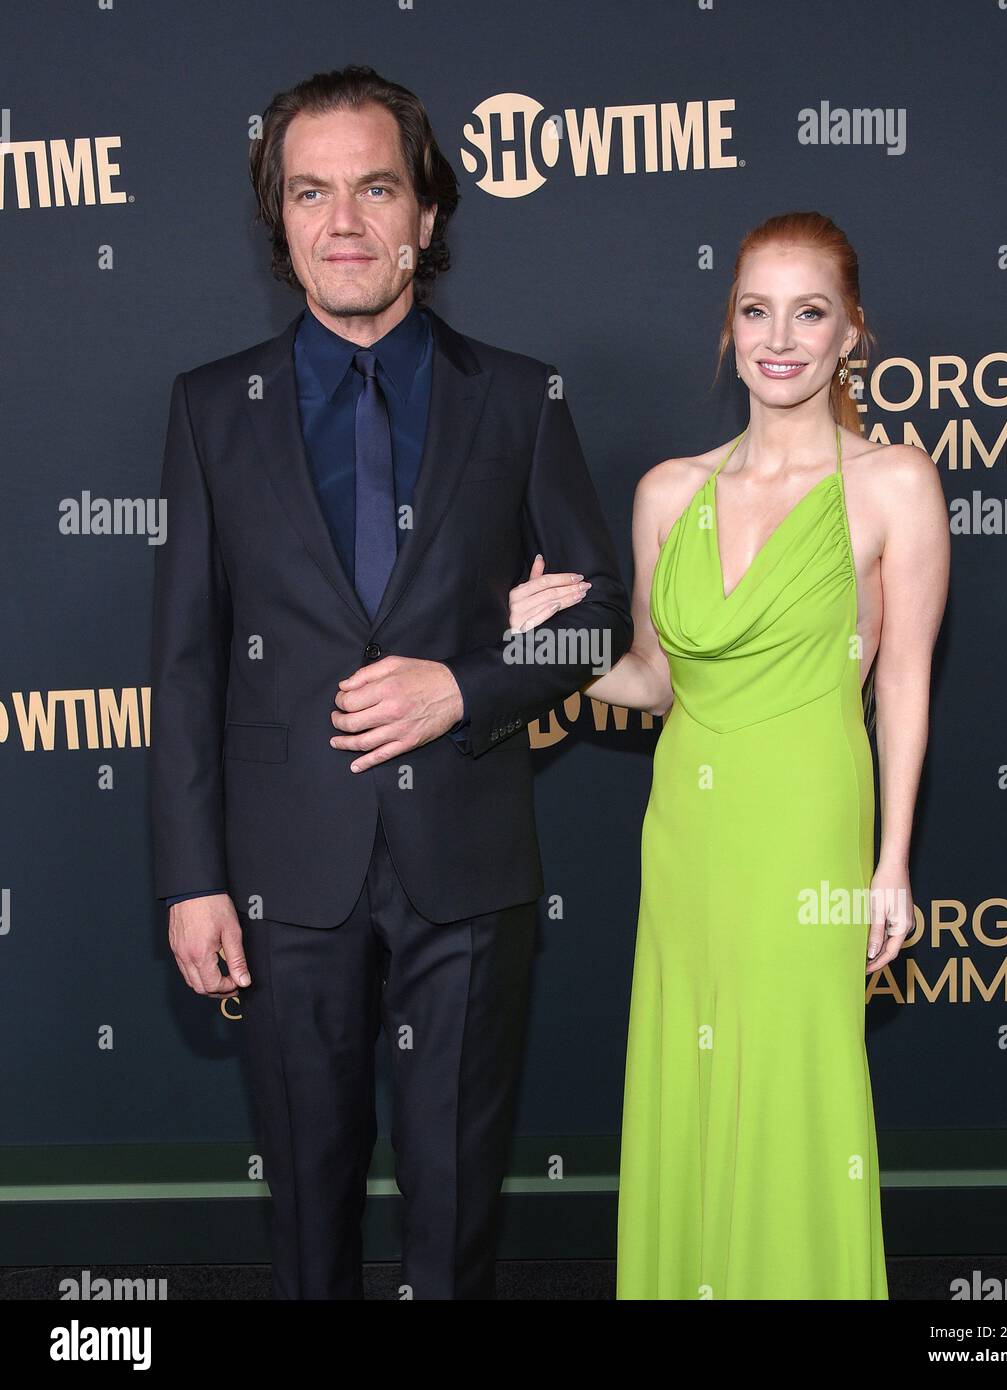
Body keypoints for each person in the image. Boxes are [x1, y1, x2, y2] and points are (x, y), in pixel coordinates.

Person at [149, 64, 633, 1300]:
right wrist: (193, 877)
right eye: (311, 193)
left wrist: (464, 687)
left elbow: (599, 625)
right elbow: (187, 661)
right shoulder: (212, 409)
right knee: (306, 1211)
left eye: (376, 187)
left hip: (464, 864)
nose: (345, 220)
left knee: (456, 1201)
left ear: (427, 214)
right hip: (281, 870)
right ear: (283, 224)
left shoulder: (521, 399)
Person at [509, 212, 950, 1298]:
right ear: (729, 328)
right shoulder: (670, 490)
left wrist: (890, 863)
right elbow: (656, 681)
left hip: (808, 824)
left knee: (797, 1089)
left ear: (853, 332)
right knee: (692, 1081)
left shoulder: (895, 482)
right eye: (756, 310)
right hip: (691, 833)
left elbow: (902, 685)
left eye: (810, 312)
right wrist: (545, 645)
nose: (780, 337)